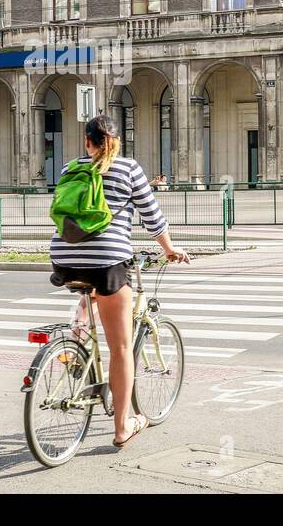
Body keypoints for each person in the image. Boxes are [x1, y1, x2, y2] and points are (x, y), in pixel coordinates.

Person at [49, 114, 189, 448]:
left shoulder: (70, 169)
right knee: (122, 347)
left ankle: (78, 330)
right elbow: (152, 217)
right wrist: (170, 249)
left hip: (63, 256)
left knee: (93, 289)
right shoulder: (129, 168)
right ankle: (122, 426)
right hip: (108, 259)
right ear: (118, 142)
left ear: (87, 142)